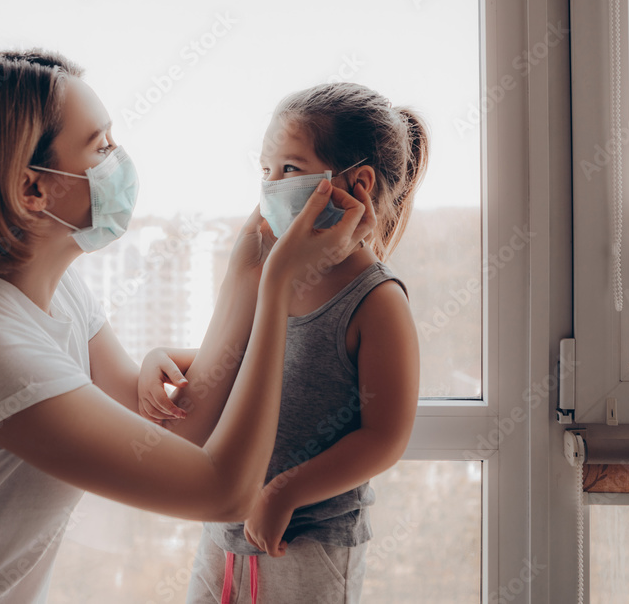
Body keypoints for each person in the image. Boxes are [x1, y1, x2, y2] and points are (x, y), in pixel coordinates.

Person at [0, 50, 375, 603]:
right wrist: (276, 287)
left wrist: (245, 276)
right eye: (100, 146)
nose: (119, 159)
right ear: (32, 190)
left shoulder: (56, 293)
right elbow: (223, 492)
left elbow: (174, 433)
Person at [138, 82, 427, 604]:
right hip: (224, 528)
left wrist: (285, 492)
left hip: (308, 542)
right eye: (265, 172)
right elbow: (250, 362)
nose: (271, 187)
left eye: (290, 170)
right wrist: (168, 360)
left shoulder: (377, 300)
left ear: (358, 184)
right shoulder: (270, 276)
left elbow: (385, 437)